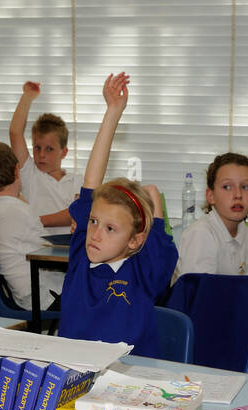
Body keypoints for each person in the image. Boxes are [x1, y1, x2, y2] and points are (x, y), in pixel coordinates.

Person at [59, 73, 176, 359]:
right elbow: (91, 183)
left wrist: (154, 203)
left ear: (136, 240)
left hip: (132, 383)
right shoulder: (81, 258)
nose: (95, 234)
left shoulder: (144, 272)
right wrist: (112, 111)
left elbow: (156, 231)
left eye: (111, 229)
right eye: (93, 222)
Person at [0, 140, 64, 311]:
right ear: (17, 170)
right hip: (42, 296)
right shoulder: (18, 211)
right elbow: (51, 251)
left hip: (23, 294)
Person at [173, 152, 248, 281]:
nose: (238, 194)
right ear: (211, 196)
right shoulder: (201, 233)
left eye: (245, 187)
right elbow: (201, 295)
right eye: (227, 187)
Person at [10, 82, 81, 235]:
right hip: (39, 248)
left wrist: (37, 220)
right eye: (37, 148)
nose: (41, 154)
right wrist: (27, 97)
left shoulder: (77, 182)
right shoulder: (30, 173)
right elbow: (15, 132)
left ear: (64, 152)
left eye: (49, 149)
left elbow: (77, 213)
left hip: (69, 247)